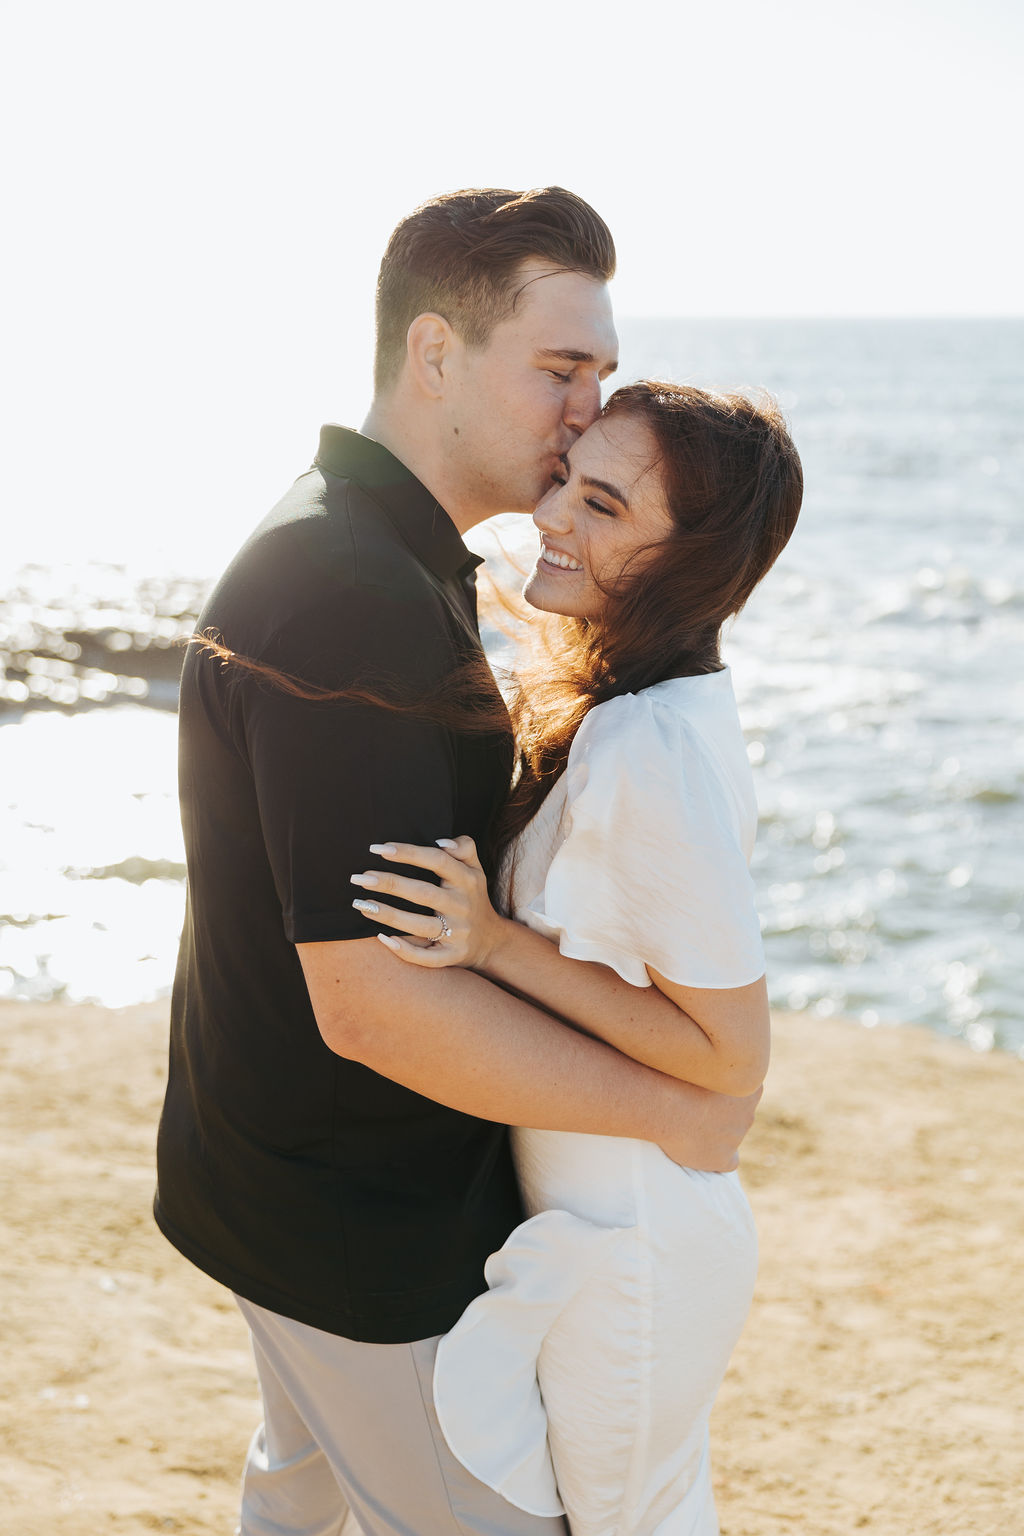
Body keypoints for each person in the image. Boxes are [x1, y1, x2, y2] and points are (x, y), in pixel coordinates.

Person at [154, 189, 761, 1536]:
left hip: (277, 1180)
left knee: (301, 1505)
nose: (586, 406)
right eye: (560, 368)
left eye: (599, 371)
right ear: (437, 354)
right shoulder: (352, 594)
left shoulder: (374, 549)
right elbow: (372, 1001)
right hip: (362, 1232)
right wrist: (671, 1109)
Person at [347, 381, 803, 1534]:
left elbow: (728, 1056)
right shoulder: (634, 710)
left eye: (602, 503)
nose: (552, 513)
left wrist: (493, 945)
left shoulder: (653, 746)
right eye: (569, 478)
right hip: (591, 1224)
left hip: (638, 1248)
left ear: (684, 563)